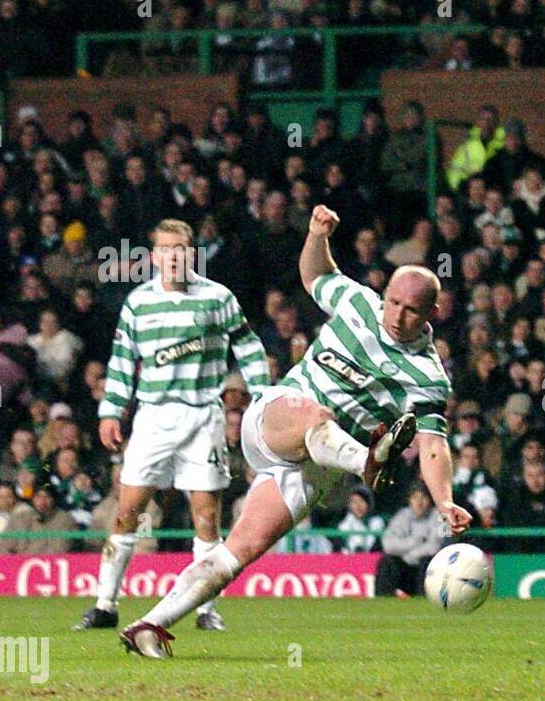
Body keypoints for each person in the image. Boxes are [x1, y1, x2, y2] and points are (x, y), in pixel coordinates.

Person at [119, 206, 471, 658]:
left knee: (239, 551)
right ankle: (366, 459)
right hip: (278, 419)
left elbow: (433, 443)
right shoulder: (359, 301)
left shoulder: (426, 373)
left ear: (432, 313)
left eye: (411, 310)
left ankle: (150, 625)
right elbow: (314, 274)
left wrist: (444, 500)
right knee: (317, 414)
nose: (397, 315)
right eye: (394, 302)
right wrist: (316, 234)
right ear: (385, 294)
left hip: (315, 467)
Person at [74, 219, 271, 632]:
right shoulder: (138, 302)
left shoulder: (218, 298)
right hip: (153, 418)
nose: (174, 256)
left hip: (203, 416)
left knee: (206, 518)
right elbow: (123, 361)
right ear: (154, 256)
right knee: (128, 510)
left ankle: (205, 609)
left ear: (191, 252)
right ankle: (105, 605)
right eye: (165, 249)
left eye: (181, 248)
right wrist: (110, 411)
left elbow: (248, 345)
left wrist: (264, 394)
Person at [374, 484, 444, 596]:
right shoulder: (402, 516)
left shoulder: (439, 517)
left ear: (430, 500)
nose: (419, 503)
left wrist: (409, 554)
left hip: (429, 571)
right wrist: (414, 542)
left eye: (423, 498)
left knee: (427, 561)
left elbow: (434, 547)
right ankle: (382, 602)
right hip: (407, 568)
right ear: (409, 500)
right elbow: (388, 545)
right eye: (415, 498)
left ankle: (423, 602)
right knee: (386, 563)